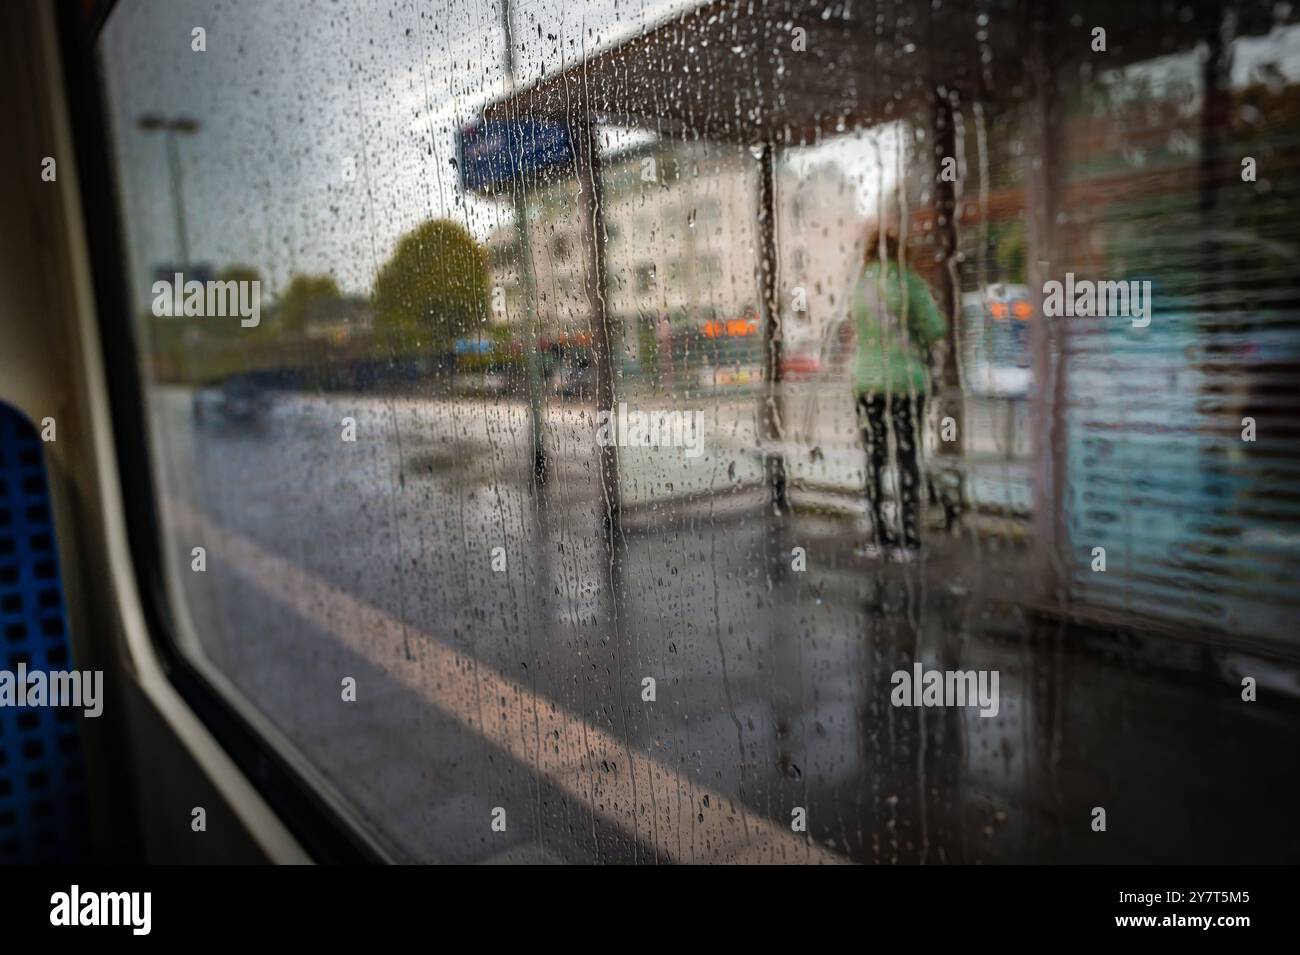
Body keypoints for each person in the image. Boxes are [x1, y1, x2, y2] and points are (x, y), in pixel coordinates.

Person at [850, 231, 948, 556]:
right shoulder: (910, 282)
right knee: (907, 458)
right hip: (905, 381)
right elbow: (935, 328)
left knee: (874, 458)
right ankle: (908, 539)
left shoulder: (860, 283)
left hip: (866, 383)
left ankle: (878, 537)